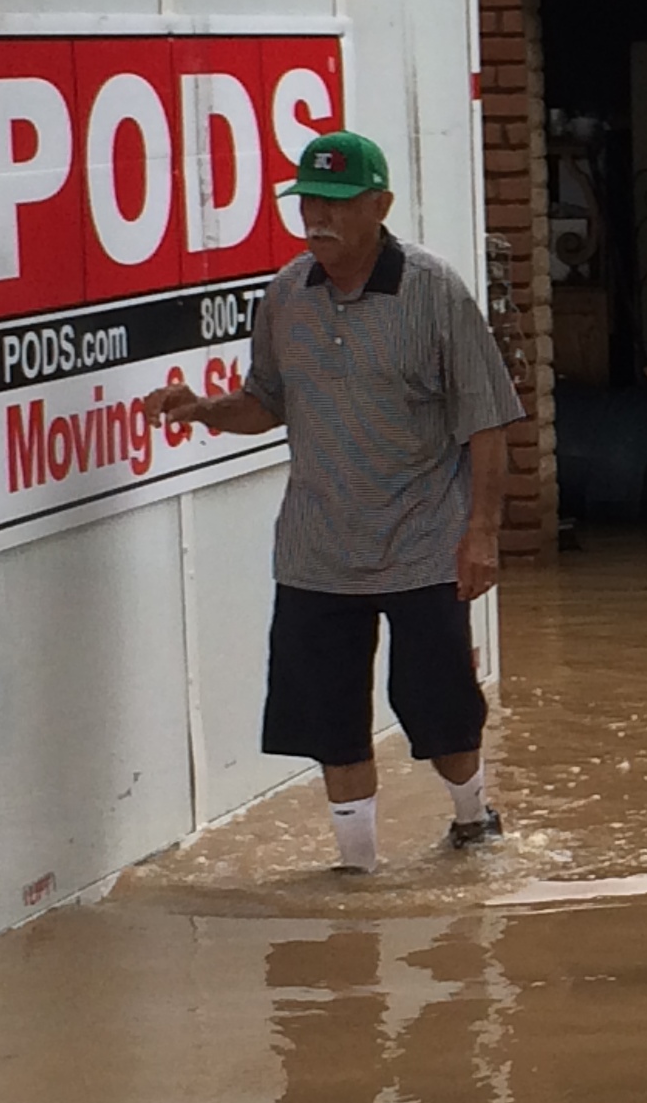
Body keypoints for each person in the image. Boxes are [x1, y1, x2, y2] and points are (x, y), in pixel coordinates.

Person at [153, 128, 525, 874]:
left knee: (442, 710)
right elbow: (268, 402)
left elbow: (488, 421)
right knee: (329, 722)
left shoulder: (435, 291)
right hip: (317, 551)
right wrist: (205, 410)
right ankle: (356, 870)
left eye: (335, 202)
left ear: (380, 204)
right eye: (307, 203)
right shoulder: (286, 294)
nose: (316, 218)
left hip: (423, 544)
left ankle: (471, 819)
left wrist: (481, 533)